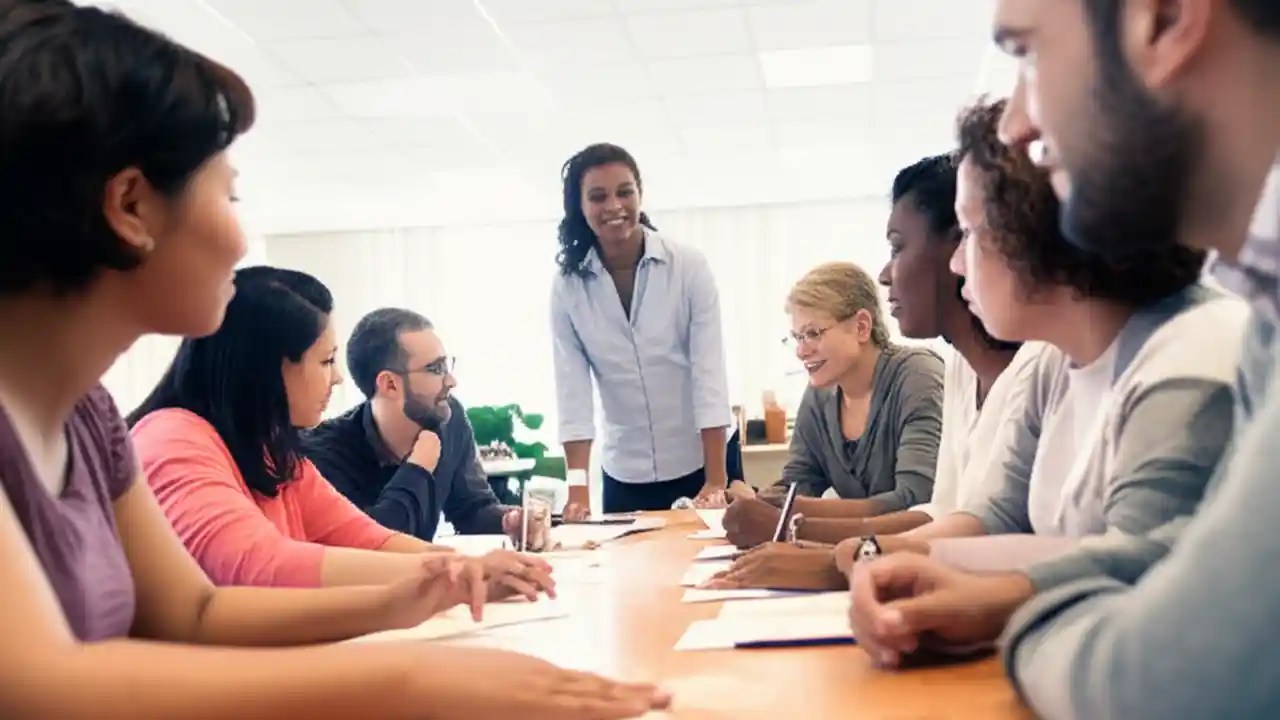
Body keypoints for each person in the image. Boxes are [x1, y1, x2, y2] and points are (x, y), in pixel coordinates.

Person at [0, 3, 669, 717]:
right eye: (228, 193)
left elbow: (193, 611)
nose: (240, 235)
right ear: (130, 206)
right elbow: (39, 686)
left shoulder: (90, 417)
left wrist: (413, 595)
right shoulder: (148, 433)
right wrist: (412, 682)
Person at [849, 1, 1280, 718]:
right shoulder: (1265, 309)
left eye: (1028, 55)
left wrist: (1024, 618)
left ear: (1166, 18)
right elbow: (1179, 548)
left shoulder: (1208, 340)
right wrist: (1018, 588)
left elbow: (1160, 683)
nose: (1018, 126)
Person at [713, 98, 1244, 599]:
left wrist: (852, 563)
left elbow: (1134, 581)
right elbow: (994, 518)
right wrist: (866, 557)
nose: (958, 262)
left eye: (968, 234)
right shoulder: (1051, 360)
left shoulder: (1192, 353)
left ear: (1038, 224)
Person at [129, 268, 555, 593]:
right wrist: (454, 572)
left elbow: (366, 540)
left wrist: (470, 568)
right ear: (268, 368)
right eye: (326, 361)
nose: (336, 380)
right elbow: (265, 567)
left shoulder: (272, 454)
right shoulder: (174, 439)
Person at [717, 155, 1043, 551]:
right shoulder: (962, 369)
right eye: (797, 337)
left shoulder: (937, 371)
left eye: (897, 247)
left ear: (861, 326)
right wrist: (769, 508)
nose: (886, 274)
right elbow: (946, 514)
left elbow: (939, 509)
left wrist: (792, 529)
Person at [301, 308, 588, 545]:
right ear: (389, 383)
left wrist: (509, 520)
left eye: (447, 366)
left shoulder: (448, 419)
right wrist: (420, 464)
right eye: (436, 369)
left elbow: (471, 508)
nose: (451, 381)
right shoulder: (322, 455)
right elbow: (377, 545)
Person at [551, 142, 734, 513]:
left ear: (640, 194)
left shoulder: (688, 266)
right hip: (625, 473)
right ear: (581, 206)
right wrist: (578, 493)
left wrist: (717, 480)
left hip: (701, 463)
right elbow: (573, 396)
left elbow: (708, 375)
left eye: (624, 192)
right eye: (598, 196)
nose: (614, 206)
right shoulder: (568, 286)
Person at [719, 261, 945, 550]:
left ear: (862, 327)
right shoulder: (820, 394)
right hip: (861, 553)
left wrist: (787, 514)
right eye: (798, 337)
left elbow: (916, 500)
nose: (802, 351)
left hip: (917, 554)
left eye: (813, 333)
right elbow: (799, 483)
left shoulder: (917, 375)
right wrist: (755, 499)